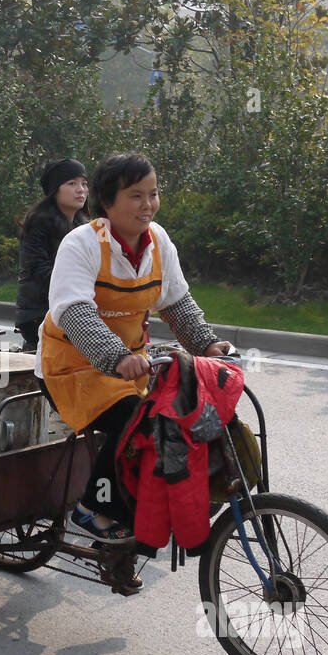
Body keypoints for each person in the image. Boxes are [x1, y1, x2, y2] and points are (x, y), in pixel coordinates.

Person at [37, 153, 234, 542]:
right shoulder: (81, 244)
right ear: (107, 202)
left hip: (131, 366)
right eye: (136, 195)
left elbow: (176, 304)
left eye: (154, 194)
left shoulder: (159, 241)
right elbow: (74, 312)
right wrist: (116, 357)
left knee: (176, 418)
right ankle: (91, 508)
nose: (148, 205)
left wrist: (207, 344)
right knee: (137, 422)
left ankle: (146, 502)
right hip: (72, 369)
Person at [15, 158, 90, 352]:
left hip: (71, 306)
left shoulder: (83, 225)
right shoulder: (39, 222)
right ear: (55, 189)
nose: (80, 189)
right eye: (72, 183)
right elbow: (40, 269)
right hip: (39, 313)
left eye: (84, 183)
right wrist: (78, 289)